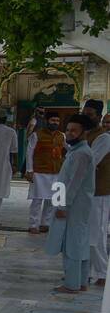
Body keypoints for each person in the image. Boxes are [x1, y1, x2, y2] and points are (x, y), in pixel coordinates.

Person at [48, 113, 95, 294]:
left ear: (84, 133)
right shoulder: (75, 152)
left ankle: (72, 284)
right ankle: (81, 282)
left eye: (74, 131)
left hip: (74, 205)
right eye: (68, 130)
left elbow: (73, 183)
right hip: (75, 203)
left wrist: (62, 206)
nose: (69, 133)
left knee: (72, 243)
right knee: (80, 241)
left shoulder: (82, 154)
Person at [82, 101, 110, 286]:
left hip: (100, 191)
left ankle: (103, 272)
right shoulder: (85, 134)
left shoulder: (104, 137)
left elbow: (89, 161)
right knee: (86, 232)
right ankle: (88, 272)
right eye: (85, 113)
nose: (86, 117)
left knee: (97, 232)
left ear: (98, 117)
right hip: (86, 191)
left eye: (90, 114)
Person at [27, 110, 65, 233]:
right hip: (39, 172)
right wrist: (29, 170)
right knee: (37, 200)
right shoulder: (36, 135)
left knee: (51, 200)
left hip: (56, 172)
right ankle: (33, 224)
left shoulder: (62, 135)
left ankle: (45, 223)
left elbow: (69, 149)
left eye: (57, 121)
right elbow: (29, 152)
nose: (55, 123)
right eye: (53, 120)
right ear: (47, 121)